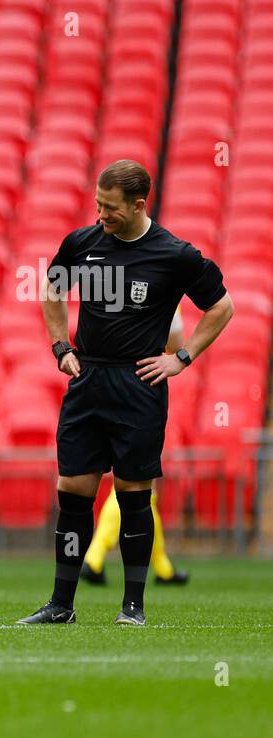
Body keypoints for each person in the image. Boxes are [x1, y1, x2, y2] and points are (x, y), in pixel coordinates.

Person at [17, 160, 234, 627]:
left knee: (133, 494)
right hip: (87, 380)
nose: (101, 215)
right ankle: (60, 604)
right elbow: (51, 291)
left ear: (138, 205)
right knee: (73, 492)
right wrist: (60, 347)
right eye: (97, 204)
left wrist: (182, 357)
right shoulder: (82, 243)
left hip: (139, 385)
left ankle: (132, 607)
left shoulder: (175, 254)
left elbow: (222, 306)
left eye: (110, 207)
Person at [81, 308, 189, 586]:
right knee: (134, 487)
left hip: (106, 387)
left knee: (140, 491)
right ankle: (94, 557)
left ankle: (162, 567)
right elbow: (176, 344)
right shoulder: (164, 292)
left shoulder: (111, 288)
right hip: (142, 394)